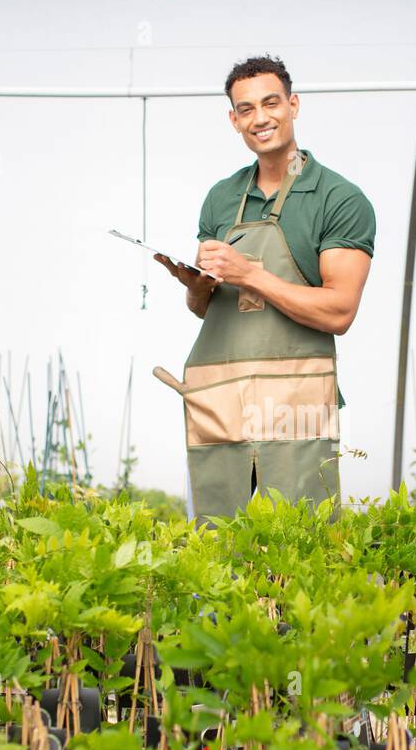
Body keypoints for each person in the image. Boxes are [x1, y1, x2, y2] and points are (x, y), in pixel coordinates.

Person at [155, 55, 375, 521]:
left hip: (296, 403)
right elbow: (205, 309)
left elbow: (339, 312)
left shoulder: (339, 199)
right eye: (246, 109)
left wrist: (250, 273)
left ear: (293, 105)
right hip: (221, 399)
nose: (261, 118)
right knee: (216, 551)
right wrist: (195, 287)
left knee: (300, 553)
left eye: (271, 103)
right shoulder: (221, 197)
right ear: (233, 120)